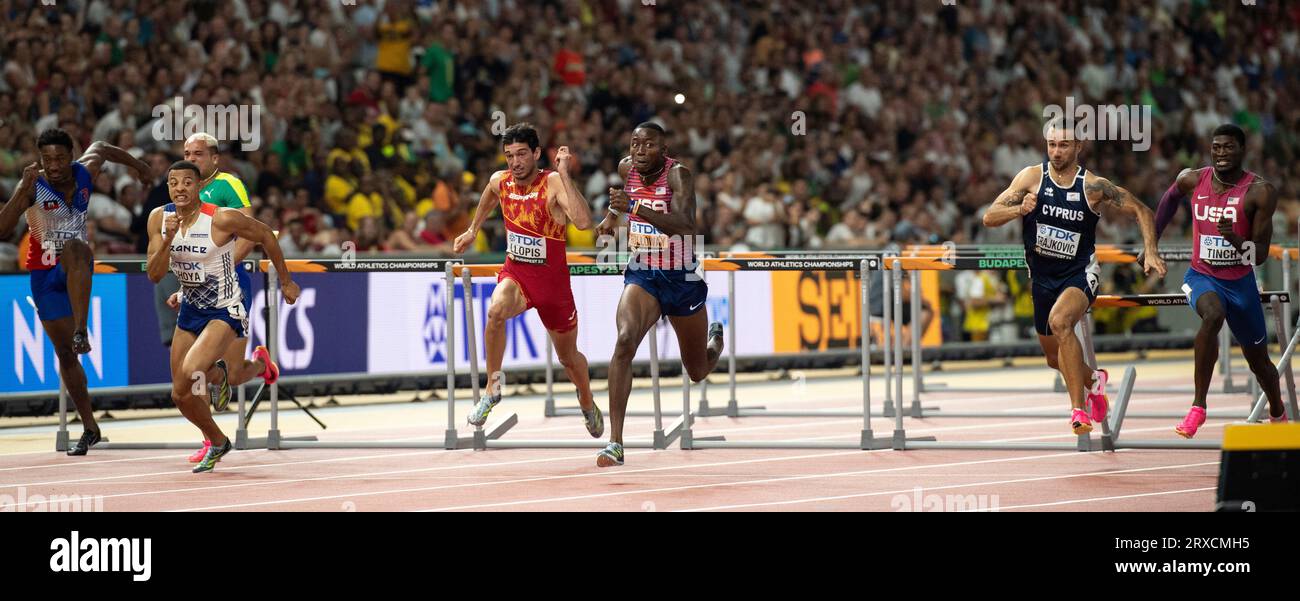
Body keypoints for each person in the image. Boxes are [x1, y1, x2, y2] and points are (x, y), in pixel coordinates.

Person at [982, 121, 1167, 434]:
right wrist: (1019, 210)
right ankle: (1094, 379)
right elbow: (990, 216)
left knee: (1060, 322)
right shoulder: (1031, 178)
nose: (1056, 151)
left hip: (1079, 273)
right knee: (1055, 360)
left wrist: (1150, 249)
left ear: (1079, 146)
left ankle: (1077, 411)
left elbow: (1141, 210)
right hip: (1041, 278)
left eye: (1064, 145)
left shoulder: (1093, 186)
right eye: (1052, 144)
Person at [0, 128, 152, 456]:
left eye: (59, 158)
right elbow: (2, 229)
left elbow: (103, 147)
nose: (53, 165)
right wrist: (21, 190)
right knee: (66, 355)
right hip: (43, 274)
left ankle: (82, 330)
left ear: (71, 156)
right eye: (46, 159)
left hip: (74, 264)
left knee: (77, 248)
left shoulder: (86, 169)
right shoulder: (32, 187)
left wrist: (139, 166)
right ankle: (90, 427)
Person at [145, 161, 300, 473]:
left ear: (199, 186)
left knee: (191, 372)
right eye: (174, 183)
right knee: (179, 393)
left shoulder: (221, 218)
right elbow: (154, 274)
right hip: (191, 308)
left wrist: (285, 281)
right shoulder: (159, 220)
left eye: (187, 182)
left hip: (225, 308)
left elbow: (266, 236)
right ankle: (217, 439)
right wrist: (167, 240)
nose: (180, 189)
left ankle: (221, 374)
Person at [452, 124, 603, 437]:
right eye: (509, 155)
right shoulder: (500, 180)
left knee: (568, 358)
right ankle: (492, 389)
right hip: (517, 273)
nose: (515, 161)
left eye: (521, 154)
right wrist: (473, 230)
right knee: (495, 312)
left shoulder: (552, 183)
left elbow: (585, 222)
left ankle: (586, 401)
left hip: (553, 287)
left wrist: (564, 174)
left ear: (536, 153)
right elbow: (490, 196)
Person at [591, 123, 724, 467]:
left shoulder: (678, 175)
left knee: (696, 370)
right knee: (624, 342)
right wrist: (611, 218)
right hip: (644, 271)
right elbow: (622, 203)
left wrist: (634, 207)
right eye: (634, 143)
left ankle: (714, 345)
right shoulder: (626, 168)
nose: (639, 150)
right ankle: (615, 443)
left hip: (682, 276)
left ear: (662, 150)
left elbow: (685, 225)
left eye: (648, 145)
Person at [1153, 123, 1289, 435]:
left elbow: (1261, 255)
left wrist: (1235, 239)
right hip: (1202, 276)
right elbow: (1168, 201)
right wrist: (1151, 244)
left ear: (1242, 150)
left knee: (1261, 366)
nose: (1221, 153)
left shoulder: (1260, 192)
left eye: (1228, 147)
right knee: (1213, 314)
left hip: (1241, 284)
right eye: (1216, 147)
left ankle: (1278, 413)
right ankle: (1198, 407)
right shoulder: (1192, 178)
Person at [173, 132, 280, 463]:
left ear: (214, 158)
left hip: (232, 283)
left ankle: (263, 365)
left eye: (199, 154)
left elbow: (252, 231)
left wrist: (219, 268)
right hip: (198, 292)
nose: (192, 159)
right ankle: (210, 439)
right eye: (187, 153)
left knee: (233, 374)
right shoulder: (181, 189)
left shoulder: (228, 184)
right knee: (193, 372)